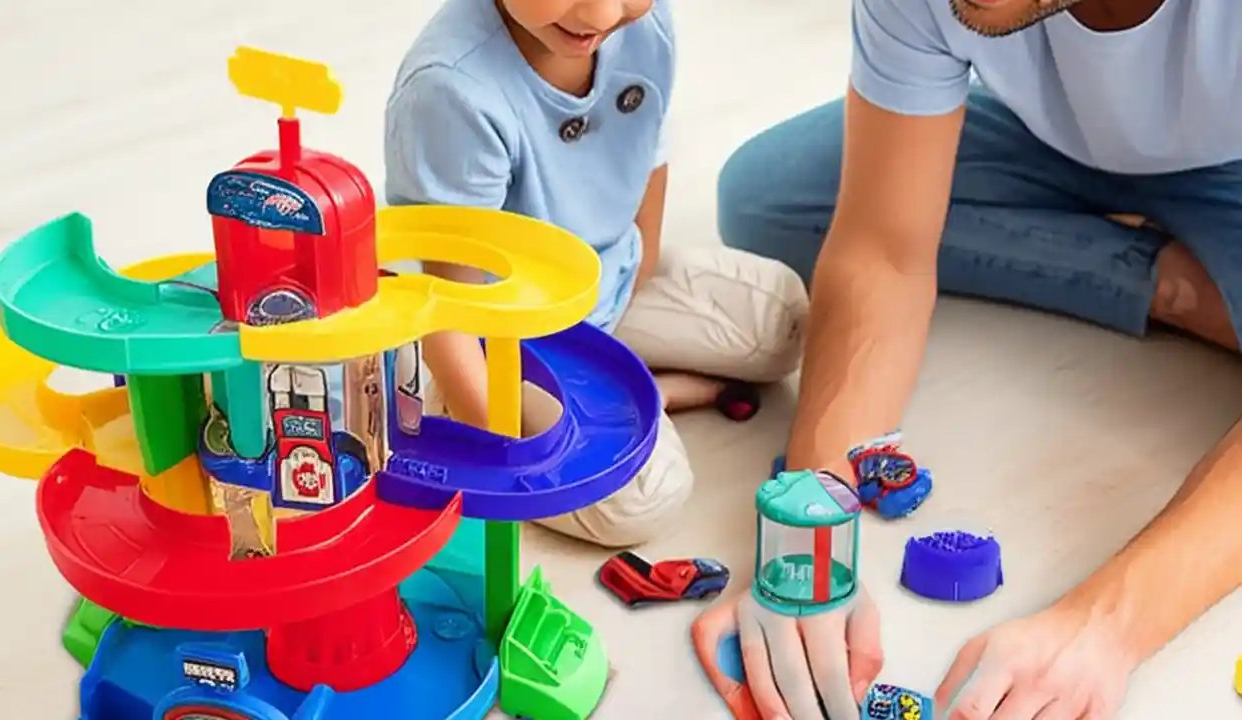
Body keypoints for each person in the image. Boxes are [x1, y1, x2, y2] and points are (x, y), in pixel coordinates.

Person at [697, 0, 1242, 718]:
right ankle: (1172, 283)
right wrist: (809, 527)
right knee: (768, 199)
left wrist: (1103, 627)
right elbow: (882, 254)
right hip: (1040, 142)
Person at [382, 0, 809, 548]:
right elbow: (448, 310)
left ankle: (634, 382)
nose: (603, 13)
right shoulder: (451, 88)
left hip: (606, 281)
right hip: (493, 340)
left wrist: (637, 273)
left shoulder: (644, 22)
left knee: (787, 322)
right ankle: (643, 392)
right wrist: (504, 445)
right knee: (647, 496)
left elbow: (651, 149)